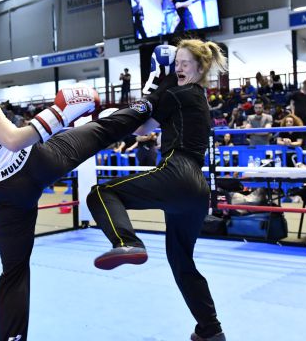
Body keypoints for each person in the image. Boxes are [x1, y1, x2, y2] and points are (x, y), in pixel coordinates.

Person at [0, 25, 173, 341]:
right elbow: (12, 140)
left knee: (14, 271)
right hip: (33, 164)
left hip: (6, 193)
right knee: (102, 131)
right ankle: (153, 101)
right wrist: (59, 112)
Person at [86, 39, 227, 341]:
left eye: (184, 63)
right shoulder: (197, 96)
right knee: (181, 261)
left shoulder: (176, 93)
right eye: (176, 62)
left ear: (200, 68)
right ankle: (210, 330)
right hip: (197, 190)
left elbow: (136, 123)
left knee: (100, 194)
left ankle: (126, 240)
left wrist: (154, 86)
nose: (177, 68)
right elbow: (148, 128)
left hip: (177, 174)